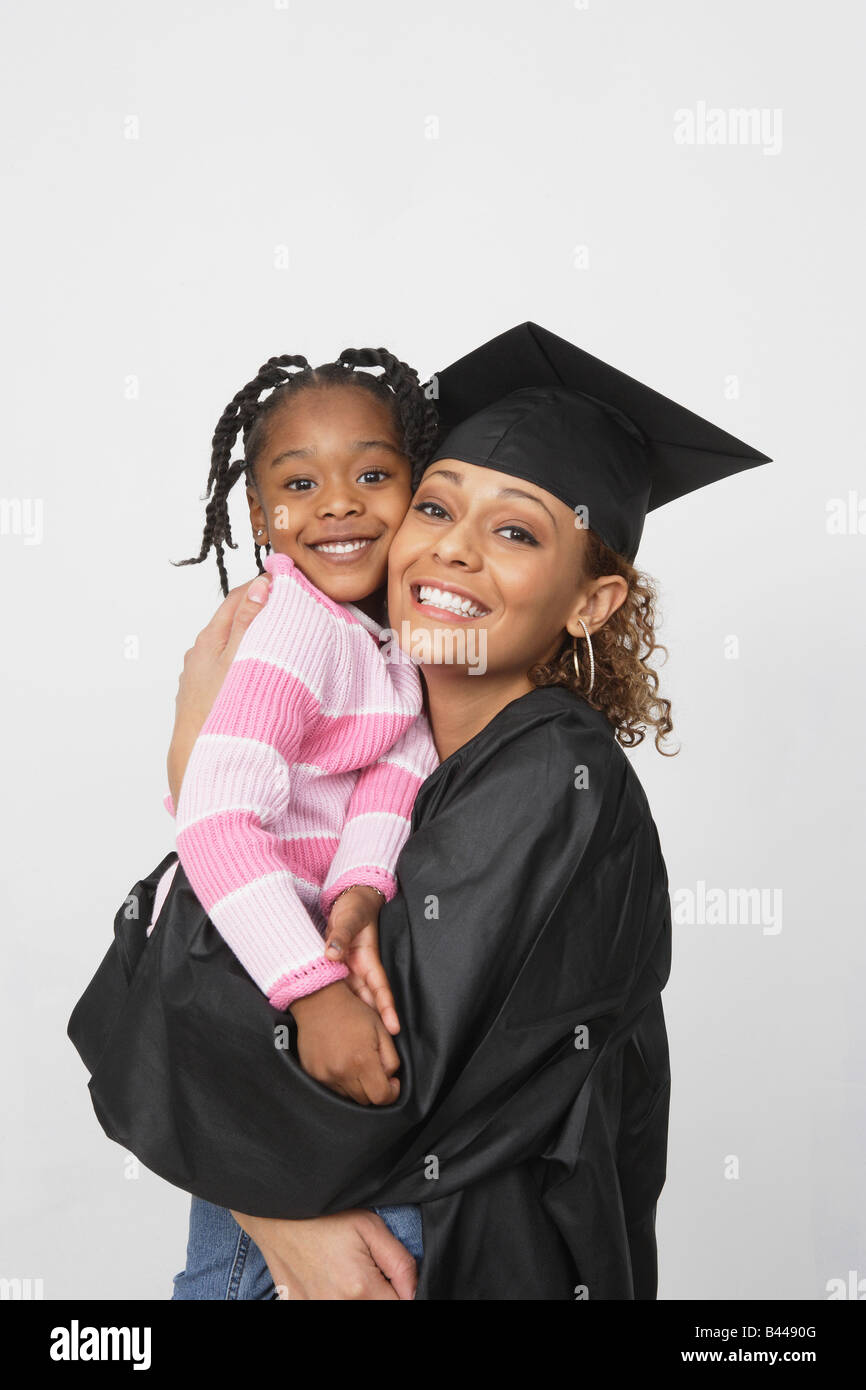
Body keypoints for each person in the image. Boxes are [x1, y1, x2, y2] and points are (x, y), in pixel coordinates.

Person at [69, 322, 770, 1299]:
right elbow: (217, 941)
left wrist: (274, 1206)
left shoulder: (551, 778)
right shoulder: (381, 725)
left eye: (517, 530)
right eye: (436, 505)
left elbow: (361, 1070)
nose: (454, 550)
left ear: (591, 602)